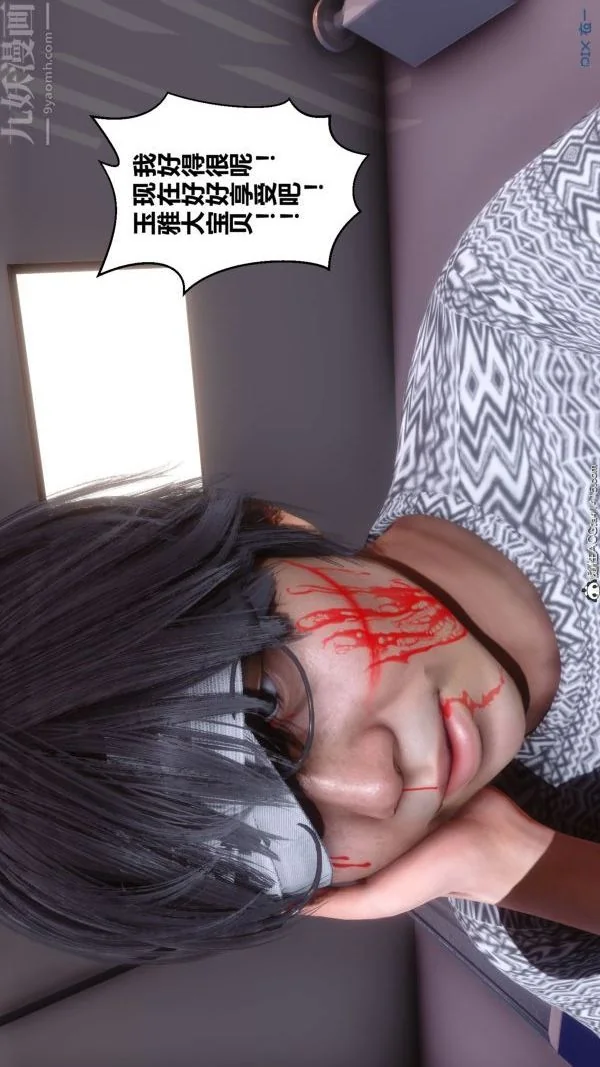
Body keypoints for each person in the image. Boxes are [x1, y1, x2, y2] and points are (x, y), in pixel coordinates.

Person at [0, 101, 599, 1033]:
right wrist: (540, 872)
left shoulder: (541, 289)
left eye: (271, 700)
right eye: (305, 838)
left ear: (271, 528)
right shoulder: (539, 902)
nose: (376, 787)